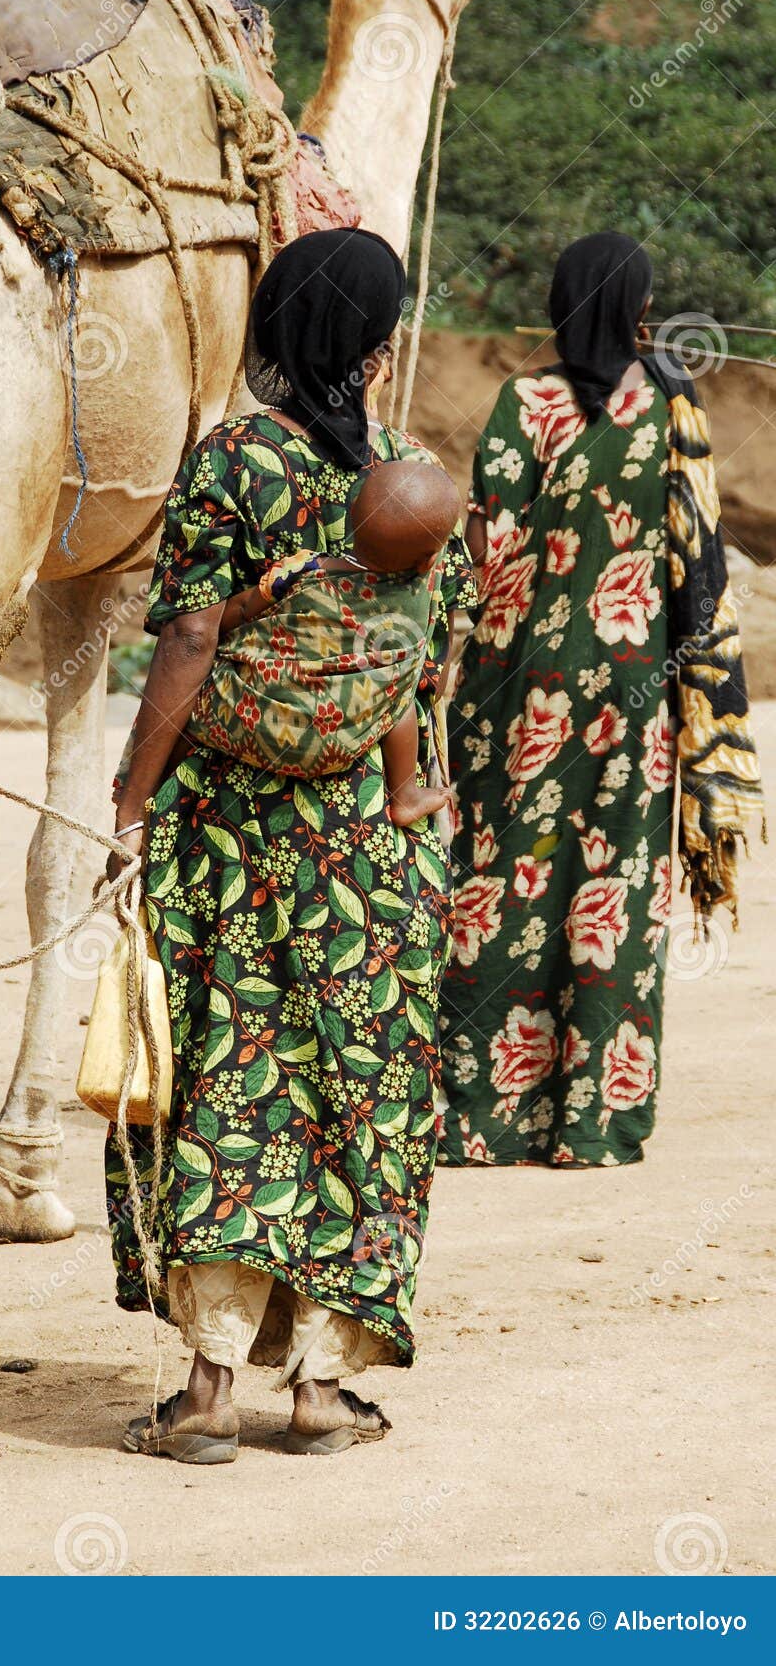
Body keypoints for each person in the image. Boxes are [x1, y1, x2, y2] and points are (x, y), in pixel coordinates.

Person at [107, 227, 477, 1463]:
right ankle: (320, 1390)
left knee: (226, 1075)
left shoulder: (230, 465)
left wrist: (129, 796)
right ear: (375, 346)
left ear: (275, 327)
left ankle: (210, 1390)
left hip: (229, 835)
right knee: (355, 1098)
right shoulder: (419, 480)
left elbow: (189, 644)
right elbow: (428, 655)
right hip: (368, 851)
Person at [438, 231, 763, 1170]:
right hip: (634, 698)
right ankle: (593, 1124)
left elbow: (486, 557)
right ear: (638, 307)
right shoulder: (670, 407)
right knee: (612, 896)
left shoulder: (522, 403)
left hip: (515, 696)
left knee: (499, 888)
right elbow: (695, 568)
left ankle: (483, 1119)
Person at [181, 456, 461, 827]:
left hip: (250, 729)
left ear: (350, 519)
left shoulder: (302, 572)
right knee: (401, 688)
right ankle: (405, 793)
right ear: (428, 563)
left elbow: (235, 616)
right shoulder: (420, 595)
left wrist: (251, 604)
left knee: (197, 686)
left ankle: (165, 776)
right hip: (335, 750)